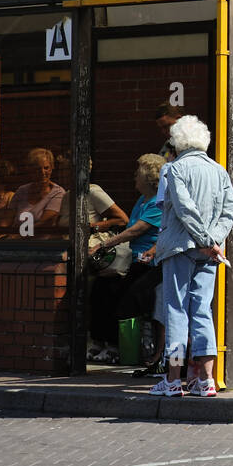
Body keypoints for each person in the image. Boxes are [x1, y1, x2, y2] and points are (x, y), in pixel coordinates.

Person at [147, 116, 233, 398]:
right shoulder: (218, 171)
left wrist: (203, 240)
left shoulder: (175, 169)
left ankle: (174, 378)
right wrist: (213, 241)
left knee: (175, 311)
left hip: (180, 248)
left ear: (178, 141)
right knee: (202, 311)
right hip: (210, 253)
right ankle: (207, 380)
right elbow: (229, 209)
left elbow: (184, 210)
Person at [89, 154, 164, 366]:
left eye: (138, 171)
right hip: (135, 261)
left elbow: (135, 231)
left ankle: (127, 347)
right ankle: (101, 342)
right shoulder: (142, 200)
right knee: (102, 287)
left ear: (148, 177)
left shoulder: (158, 202)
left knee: (126, 298)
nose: (134, 176)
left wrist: (103, 244)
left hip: (151, 264)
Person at [8, 147, 66, 233]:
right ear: (30, 169)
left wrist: (19, 236)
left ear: (52, 168)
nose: (42, 172)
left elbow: (45, 224)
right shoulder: (22, 191)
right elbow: (8, 219)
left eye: (46, 168)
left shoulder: (58, 193)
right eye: (37, 169)